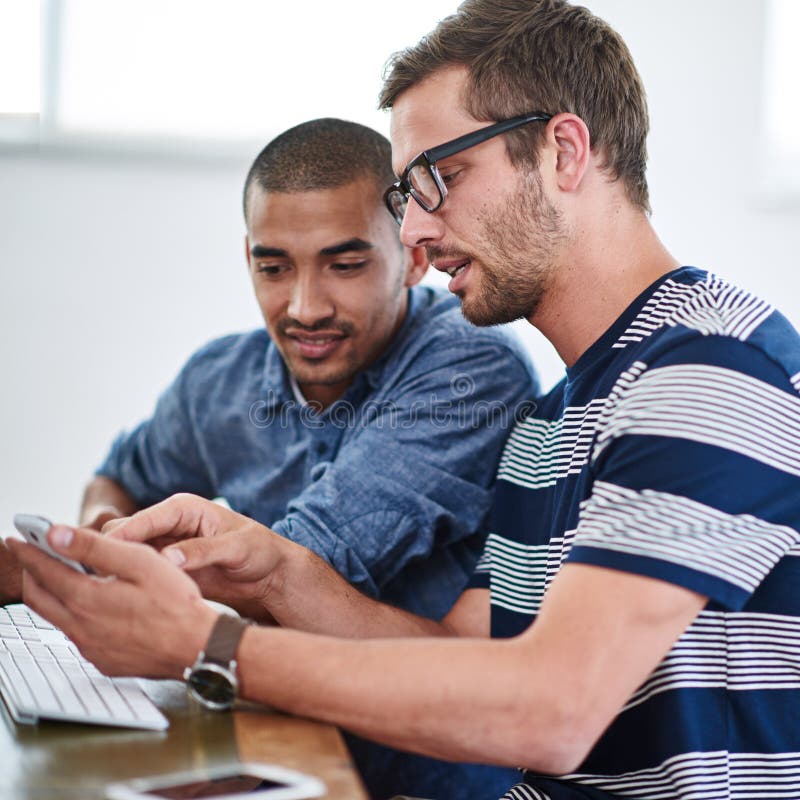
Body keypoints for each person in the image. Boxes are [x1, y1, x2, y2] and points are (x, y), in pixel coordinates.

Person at [11, 2, 800, 798]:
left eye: (441, 179)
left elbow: (551, 713)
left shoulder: (709, 370)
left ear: (563, 151)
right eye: (406, 194)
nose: (416, 231)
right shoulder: (553, 420)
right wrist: (274, 567)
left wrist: (210, 644)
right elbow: (462, 651)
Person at [2, 119, 537, 799]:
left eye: (345, 264)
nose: (304, 306)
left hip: (426, 773)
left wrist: (56, 571)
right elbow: (118, 478)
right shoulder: (218, 379)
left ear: (413, 256)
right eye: (273, 265)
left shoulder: (470, 367)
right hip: (265, 744)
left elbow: (298, 564)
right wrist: (105, 533)